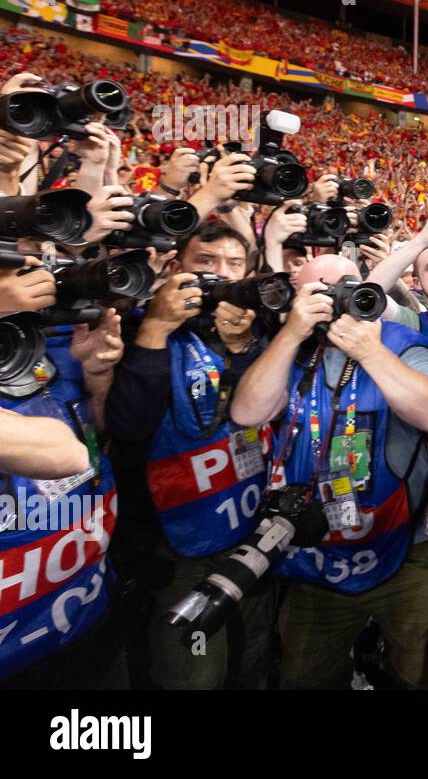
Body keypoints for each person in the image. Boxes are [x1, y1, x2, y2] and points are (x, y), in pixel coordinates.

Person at [229, 253, 428, 689]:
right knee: (306, 676)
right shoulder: (292, 349)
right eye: (321, 292)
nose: (338, 300)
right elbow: (248, 412)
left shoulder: (402, 340)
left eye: (346, 285)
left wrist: (369, 350)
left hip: (402, 549)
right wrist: (292, 332)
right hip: (317, 559)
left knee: (416, 672)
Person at [105, 222, 272, 689]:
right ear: (176, 268)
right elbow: (129, 426)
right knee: (195, 673)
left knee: (251, 656)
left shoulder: (254, 330)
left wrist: (241, 349)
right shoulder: (140, 325)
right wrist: (157, 327)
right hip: (177, 542)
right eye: (206, 263)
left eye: (233, 266)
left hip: (252, 532)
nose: (221, 275)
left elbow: (256, 415)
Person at [0, 306, 125, 687]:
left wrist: (97, 376)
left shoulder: (28, 340)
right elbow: (64, 454)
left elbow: (90, 443)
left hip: (83, 606)